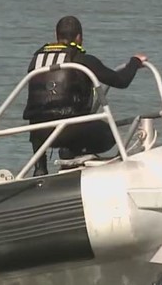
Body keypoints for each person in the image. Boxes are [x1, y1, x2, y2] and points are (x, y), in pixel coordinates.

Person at [22, 15, 148, 176]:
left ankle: (40, 168)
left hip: (39, 134)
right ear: (79, 37)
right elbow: (121, 81)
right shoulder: (83, 61)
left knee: (41, 114)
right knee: (110, 132)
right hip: (70, 132)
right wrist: (135, 62)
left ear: (56, 36)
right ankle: (76, 155)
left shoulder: (36, 61)